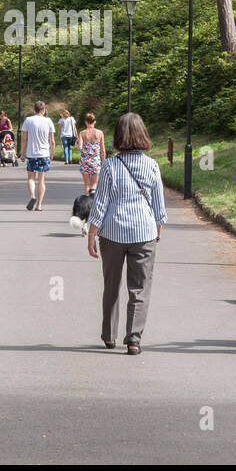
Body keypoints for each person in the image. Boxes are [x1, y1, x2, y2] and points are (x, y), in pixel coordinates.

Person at [87, 113, 166, 356]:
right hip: (144, 232)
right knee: (140, 288)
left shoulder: (110, 166)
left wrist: (91, 234)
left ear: (118, 136)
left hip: (112, 232)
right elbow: (158, 204)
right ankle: (133, 340)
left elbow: (100, 203)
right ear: (143, 134)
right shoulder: (152, 165)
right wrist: (157, 229)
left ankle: (109, 336)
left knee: (111, 285)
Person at [19, 100, 56, 211]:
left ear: (34, 109)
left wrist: (22, 153)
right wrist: (51, 153)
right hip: (44, 154)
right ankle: (39, 205)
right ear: (44, 110)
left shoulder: (28, 120)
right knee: (41, 181)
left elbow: (24, 139)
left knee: (31, 178)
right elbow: (52, 141)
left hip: (31, 154)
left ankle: (32, 196)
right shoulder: (48, 121)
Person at [77, 112, 105, 195]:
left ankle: (86, 204)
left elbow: (80, 147)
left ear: (86, 122)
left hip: (85, 161)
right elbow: (102, 150)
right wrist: (103, 161)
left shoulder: (82, 133)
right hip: (95, 161)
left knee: (86, 184)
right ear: (94, 121)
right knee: (94, 184)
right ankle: (93, 203)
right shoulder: (100, 133)